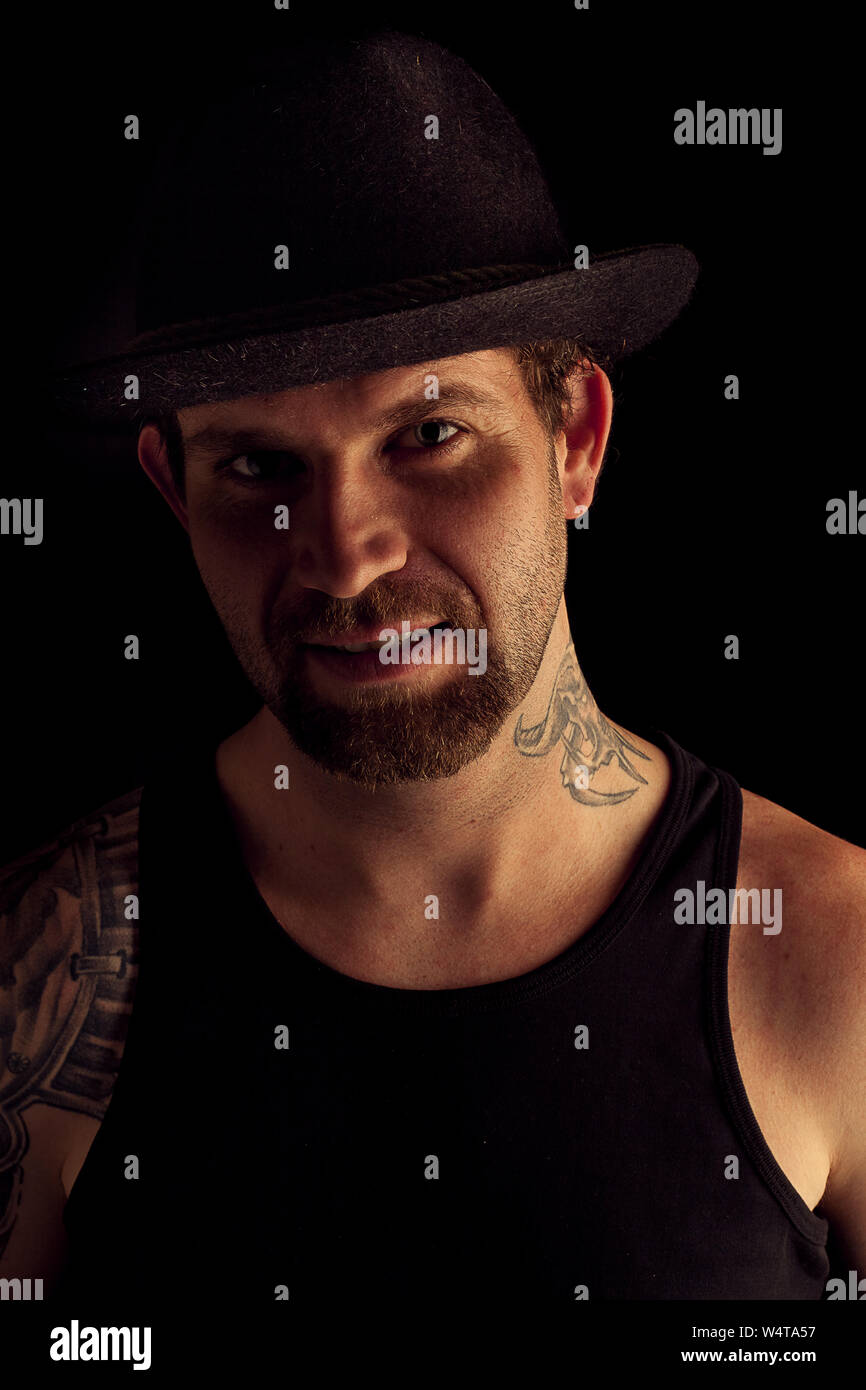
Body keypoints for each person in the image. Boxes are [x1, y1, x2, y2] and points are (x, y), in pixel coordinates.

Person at [2, 27, 863, 1345]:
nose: (344, 553)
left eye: (428, 433)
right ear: (173, 493)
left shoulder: (835, 955)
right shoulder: (43, 965)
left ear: (573, 441)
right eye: (256, 468)